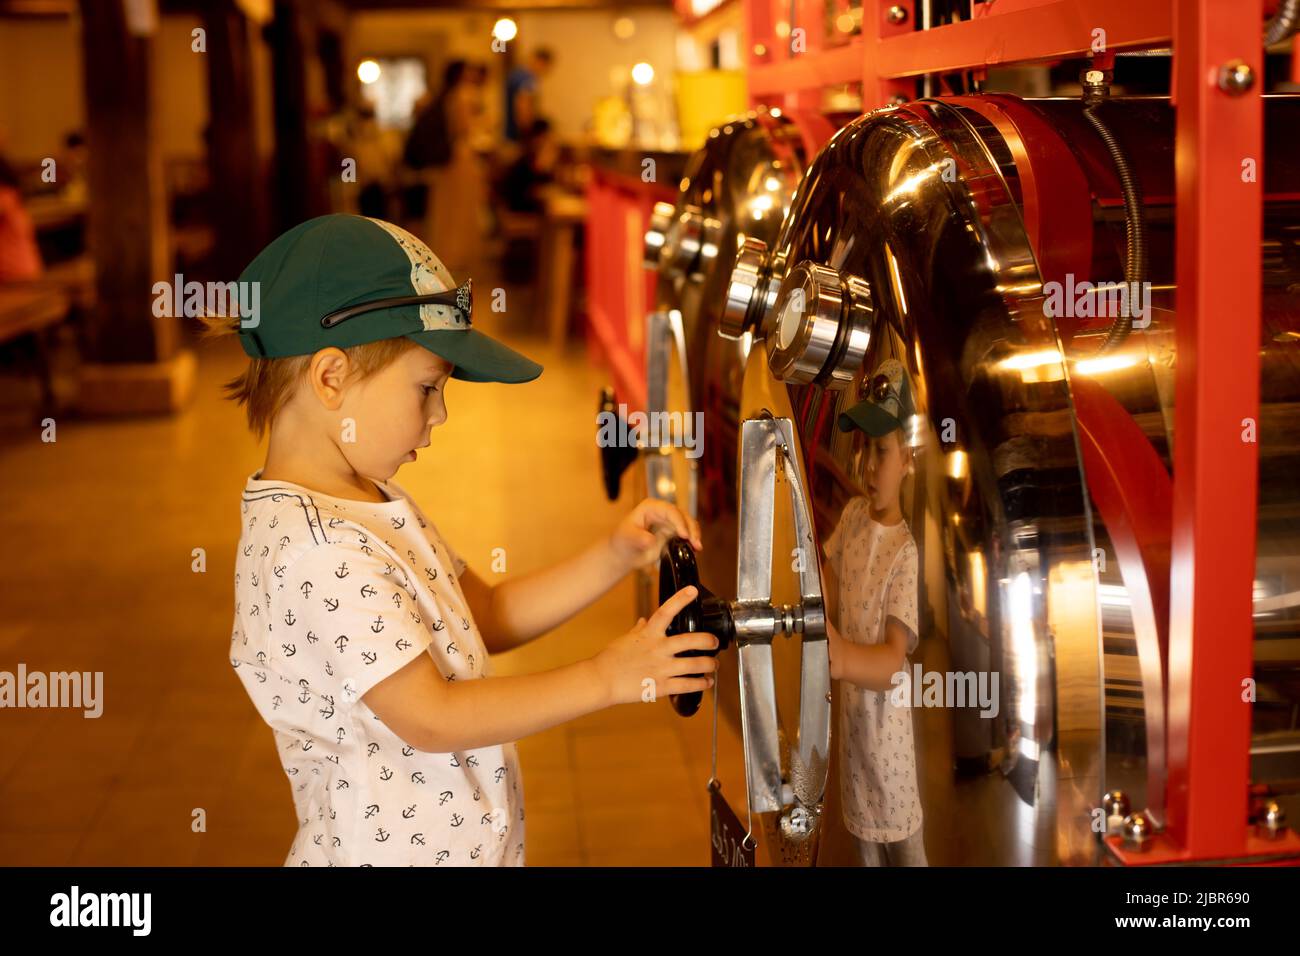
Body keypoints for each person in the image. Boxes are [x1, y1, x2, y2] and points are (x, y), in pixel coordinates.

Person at [203, 214, 716, 866]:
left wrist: (613, 556)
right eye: (427, 388)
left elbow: (488, 615)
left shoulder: (370, 501)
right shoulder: (316, 551)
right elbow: (432, 715)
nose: (440, 414)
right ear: (330, 378)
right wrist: (604, 677)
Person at [820, 357, 927, 867]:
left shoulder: (904, 555)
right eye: (863, 446)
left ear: (908, 456)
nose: (866, 464)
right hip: (854, 744)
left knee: (906, 854)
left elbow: (890, 664)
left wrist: (838, 658)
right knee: (864, 851)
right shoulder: (853, 518)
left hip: (890, 754)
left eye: (881, 450)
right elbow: (826, 567)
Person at [504, 48, 553, 145]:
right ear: (540, 62)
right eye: (546, 67)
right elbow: (523, 104)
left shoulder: (516, 74)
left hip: (509, 131)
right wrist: (528, 133)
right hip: (519, 134)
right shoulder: (527, 78)